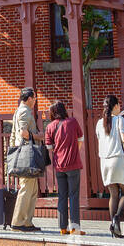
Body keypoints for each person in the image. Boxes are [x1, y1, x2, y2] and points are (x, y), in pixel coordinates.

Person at [44, 100, 83, 235]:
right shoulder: (72, 122)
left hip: (59, 166)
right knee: (73, 195)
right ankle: (75, 228)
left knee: (62, 196)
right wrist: (73, 152)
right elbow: (80, 139)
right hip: (73, 164)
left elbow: (49, 147)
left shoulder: (49, 127)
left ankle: (62, 227)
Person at [96, 95, 124, 237]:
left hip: (104, 161)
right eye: (119, 105)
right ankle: (117, 217)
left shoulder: (99, 123)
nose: (120, 108)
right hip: (118, 159)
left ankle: (113, 226)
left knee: (113, 194)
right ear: (115, 106)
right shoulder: (120, 120)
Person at [9, 87, 42, 232]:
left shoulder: (19, 110)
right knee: (26, 188)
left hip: (25, 152)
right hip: (26, 153)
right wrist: (38, 136)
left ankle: (27, 221)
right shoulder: (24, 111)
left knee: (32, 189)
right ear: (29, 98)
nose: (35, 101)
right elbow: (23, 133)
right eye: (34, 98)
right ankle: (18, 222)